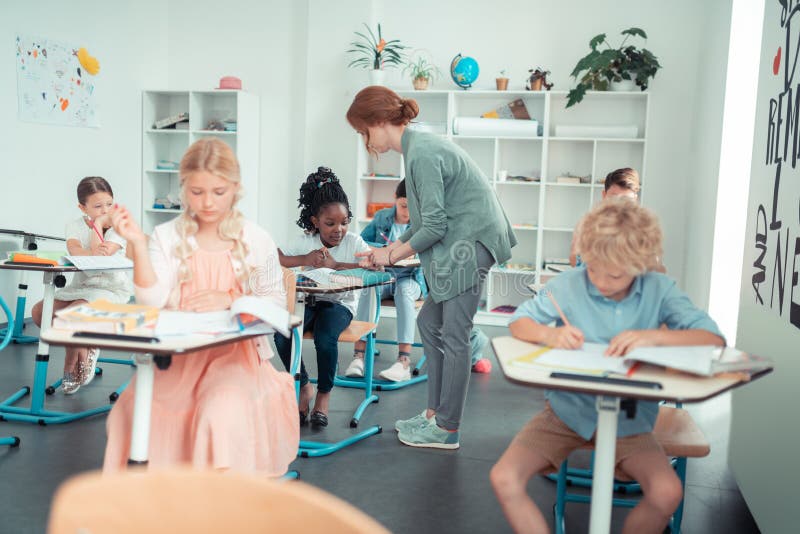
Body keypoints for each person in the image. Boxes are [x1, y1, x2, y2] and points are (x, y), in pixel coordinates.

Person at [490, 199, 725, 534]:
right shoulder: (569, 284)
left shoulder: (659, 290)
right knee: (504, 477)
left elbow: (712, 338)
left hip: (630, 420)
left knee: (666, 492)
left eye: (614, 274)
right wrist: (550, 334)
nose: (599, 281)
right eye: (593, 268)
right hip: (566, 413)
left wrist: (652, 338)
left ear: (640, 264)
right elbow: (519, 322)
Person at [104, 138, 298, 475]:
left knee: (220, 413)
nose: (207, 202)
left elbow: (275, 302)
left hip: (237, 360)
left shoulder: (257, 238)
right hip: (179, 359)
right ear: (183, 189)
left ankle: (215, 510)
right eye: (196, 192)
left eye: (218, 192)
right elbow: (151, 300)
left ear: (235, 189)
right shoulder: (166, 236)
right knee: (131, 408)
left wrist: (232, 300)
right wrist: (136, 244)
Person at [346, 86, 517, 449]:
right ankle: (433, 415)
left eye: (364, 132)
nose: (366, 140)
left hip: (473, 243)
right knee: (429, 321)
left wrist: (391, 255)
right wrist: (389, 250)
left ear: (378, 122)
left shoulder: (420, 153)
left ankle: (447, 428)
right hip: (467, 240)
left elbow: (435, 226)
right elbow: (427, 222)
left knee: (454, 334)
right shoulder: (417, 148)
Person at [274, 167, 370, 428]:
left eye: (344, 221)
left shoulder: (354, 243)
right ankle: (304, 386)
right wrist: (304, 260)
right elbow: (277, 257)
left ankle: (324, 396)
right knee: (282, 334)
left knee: (326, 339)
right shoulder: (306, 241)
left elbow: (374, 267)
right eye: (330, 223)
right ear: (316, 221)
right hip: (306, 304)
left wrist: (338, 265)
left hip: (339, 306)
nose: (338, 229)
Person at [31, 176, 132, 394]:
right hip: (81, 286)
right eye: (97, 207)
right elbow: (77, 252)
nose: (105, 210)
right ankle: (88, 342)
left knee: (74, 315)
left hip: (110, 288)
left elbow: (99, 260)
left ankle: (71, 366)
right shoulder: (74, 226)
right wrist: (91, 247)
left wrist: (97, 224)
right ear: (82, 207)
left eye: (109, 204)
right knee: (40, 312)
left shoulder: (118, 226)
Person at [349, 179, 427, 382]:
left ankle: (403, 361)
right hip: (384, 277)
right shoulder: (382, 217)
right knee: (368, 289)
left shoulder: (423, 224)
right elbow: (362, 242)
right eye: (403, 205)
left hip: (411, 278)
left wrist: (397, 253)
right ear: (395, 200)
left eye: (412, 207)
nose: (407, 211)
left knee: (404, 292)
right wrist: (379, 251)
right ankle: (358, 356)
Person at [569, 167, 664, 273]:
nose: (619, 205)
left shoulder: (645, 228)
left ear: (635, 199)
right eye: (614, 198)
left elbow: (658, 270)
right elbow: (575, 262)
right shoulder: (588, 225)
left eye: (626, 200)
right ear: (604, 195)